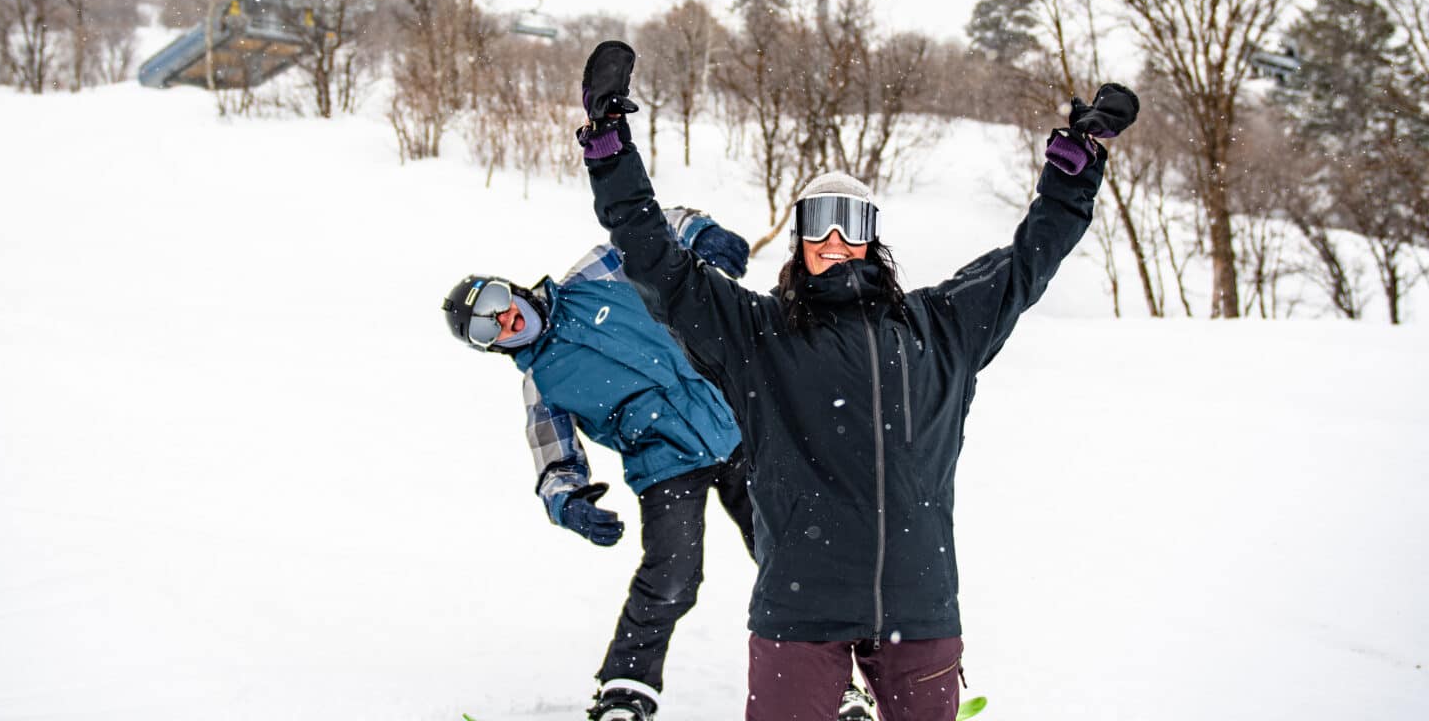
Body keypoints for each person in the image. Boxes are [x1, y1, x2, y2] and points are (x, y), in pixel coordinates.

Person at [573, 40, 1139, 721]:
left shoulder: (941, 326)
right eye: (820, 221)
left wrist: (1074, 171)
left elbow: (1030, 260)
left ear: (873, 237)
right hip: (800, 607)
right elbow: (656, 261)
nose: (836, 237)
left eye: (853, 222)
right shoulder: (759, 335)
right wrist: (610, 149)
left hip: (920, 605)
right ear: (800, 241)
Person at [441, 208, 758, 721]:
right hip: (664, 463)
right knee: (673, 576)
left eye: (497, 302)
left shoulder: (593, 275)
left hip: (738, 420)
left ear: (512, 289)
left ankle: (835, 667)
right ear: (490, 347)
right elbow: (555, 464)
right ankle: (626, 690)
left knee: (788, 551)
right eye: (485, 329)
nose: (502, 319)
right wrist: (569, 504)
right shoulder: (541, 385)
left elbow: (657, 229)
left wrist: (703, 234)